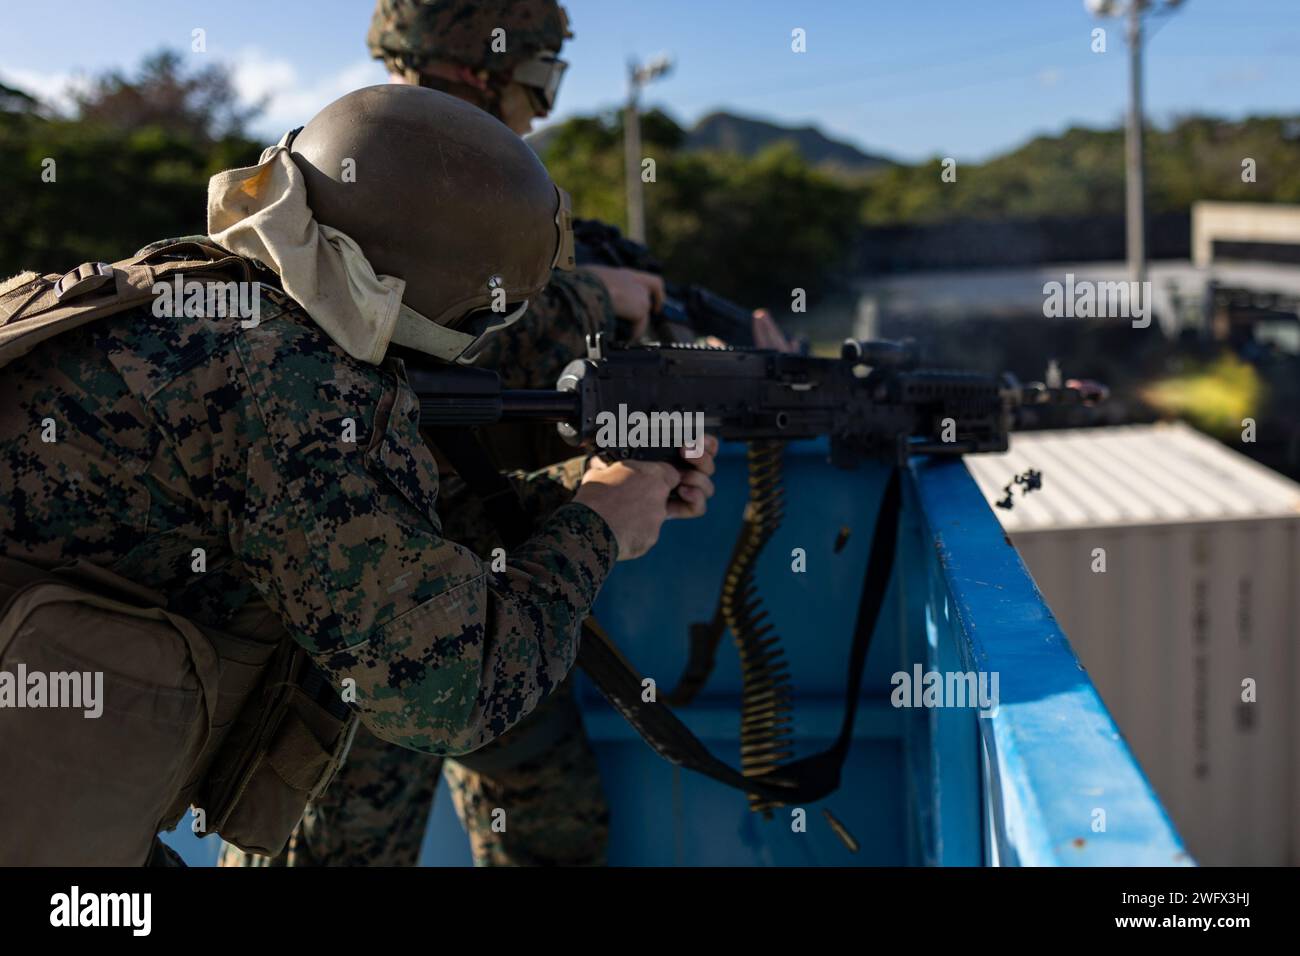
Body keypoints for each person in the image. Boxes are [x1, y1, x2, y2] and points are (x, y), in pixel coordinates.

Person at [0, 83, 717, 866]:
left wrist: (588, 488)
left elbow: (374, 538)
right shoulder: (291, 385)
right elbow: (450, 692)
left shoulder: (181, 302)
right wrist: (601, 526)